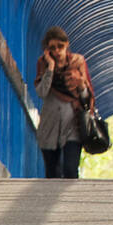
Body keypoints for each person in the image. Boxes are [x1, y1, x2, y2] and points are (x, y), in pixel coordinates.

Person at [34, 27, 95, 178]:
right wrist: (50, 68)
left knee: (70, 169)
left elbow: (87, 96)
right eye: (52, 48)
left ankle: (70, 201)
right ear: (47, 50)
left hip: (73, 124)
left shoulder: (77, 62)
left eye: (60, 46)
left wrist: (81, 83)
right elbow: (42, 92)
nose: (57, 51)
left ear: (67, 44)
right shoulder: (43, 64)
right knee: (52, 172)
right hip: (50, 125)